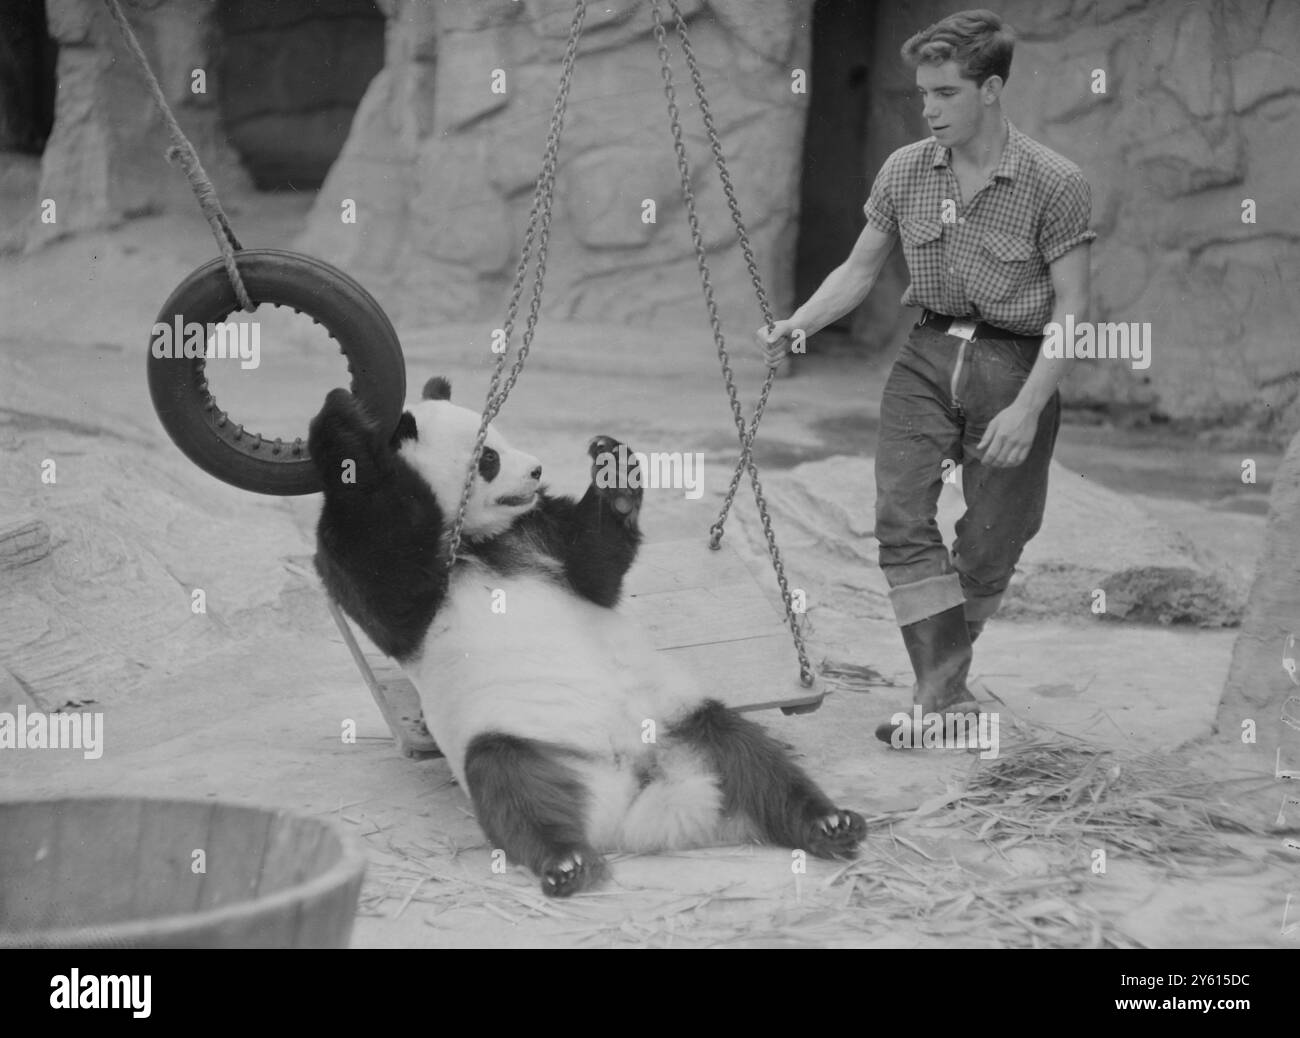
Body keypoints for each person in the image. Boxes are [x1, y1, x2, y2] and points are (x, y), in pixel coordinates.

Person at [758, 9, 1094, 747]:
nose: (929, 109)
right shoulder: (907, 169)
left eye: (945, 93)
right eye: (921, 95)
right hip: (927, 353)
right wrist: (800, 323)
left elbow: (1075, 309)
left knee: (994, 542)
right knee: (900, 518)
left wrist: (1029, 408)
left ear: (993, 88)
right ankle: (940, 699)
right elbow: (859, 268)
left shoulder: (1054, 182)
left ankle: (943, 684)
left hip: (1015, 364)